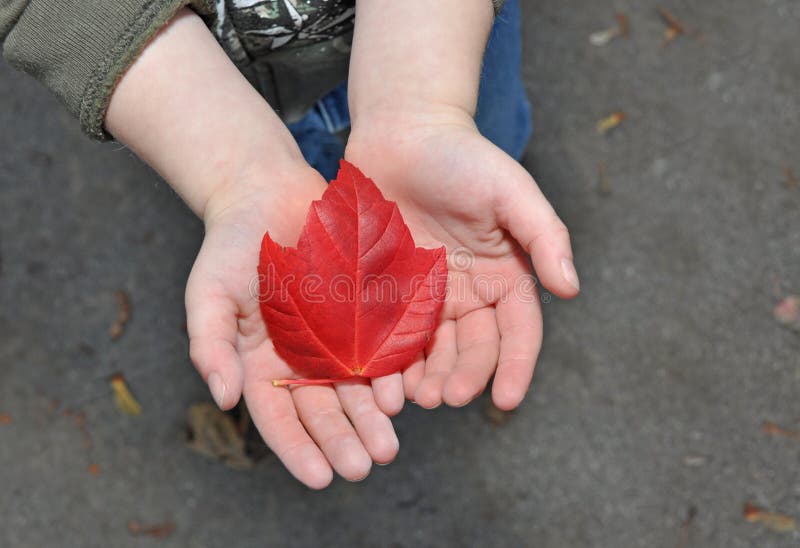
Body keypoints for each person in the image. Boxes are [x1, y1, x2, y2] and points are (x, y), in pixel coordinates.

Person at [0, 0, 579, 488]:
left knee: (486, 136)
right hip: (200, 87)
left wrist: (424, 106)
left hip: (433, 41)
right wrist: (235, 175)